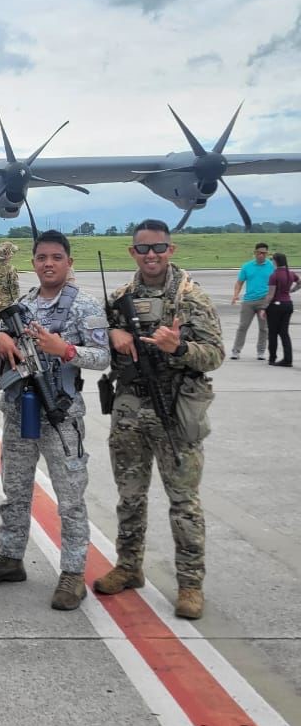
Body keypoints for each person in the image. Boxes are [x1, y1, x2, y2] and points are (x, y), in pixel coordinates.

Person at [94, 220, 224, 620]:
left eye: (159, 248)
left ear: (172, 250)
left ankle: (190, 584)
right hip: (130, 409)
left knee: (183, 503)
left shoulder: (191, 299)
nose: (152, 255)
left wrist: (179, 346)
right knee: (129, 497)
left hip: (174, 410)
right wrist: (114, 334)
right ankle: (129, 566)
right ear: (133, 253)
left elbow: (215, 355)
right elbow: (100, 349)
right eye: (144, 249)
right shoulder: (119, 299)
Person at [0, 231, 110, 610]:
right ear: (33, 262)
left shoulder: (84, 305)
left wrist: (65, 349)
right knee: (15, 489)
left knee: (70, 497)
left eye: (56, 257)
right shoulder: (23, 305)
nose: (48, 264)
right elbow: (2, 343)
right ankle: (11, 556)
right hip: (21, 410)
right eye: (42, 257)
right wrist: (0, 342)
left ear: (68, 262)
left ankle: (73, 573)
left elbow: (102, 357)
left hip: (61, 414)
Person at [230, 242, 274, 360]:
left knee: (264, 328)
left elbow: (275, 283)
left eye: (264, 253)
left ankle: (261, 351)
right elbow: (239, 282)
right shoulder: (247, 266)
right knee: (243, 326)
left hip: (264, 301)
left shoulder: (271, 266)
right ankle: (236, 350)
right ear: (255, 253)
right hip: (248, 301)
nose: (261, 255)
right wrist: (235, 295)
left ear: (267, 254)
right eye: (259, 253)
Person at [262, 252, 299, 367]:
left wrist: (264, 307)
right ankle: (288, 359)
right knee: (284, 333)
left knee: (273, 332)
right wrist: (292, 290)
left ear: (276, 261)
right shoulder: (291, 273)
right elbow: (299, 282)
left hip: (276, 306)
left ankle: (272, 358)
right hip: (288, 303)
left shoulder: (274, 275)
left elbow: (270, 295)